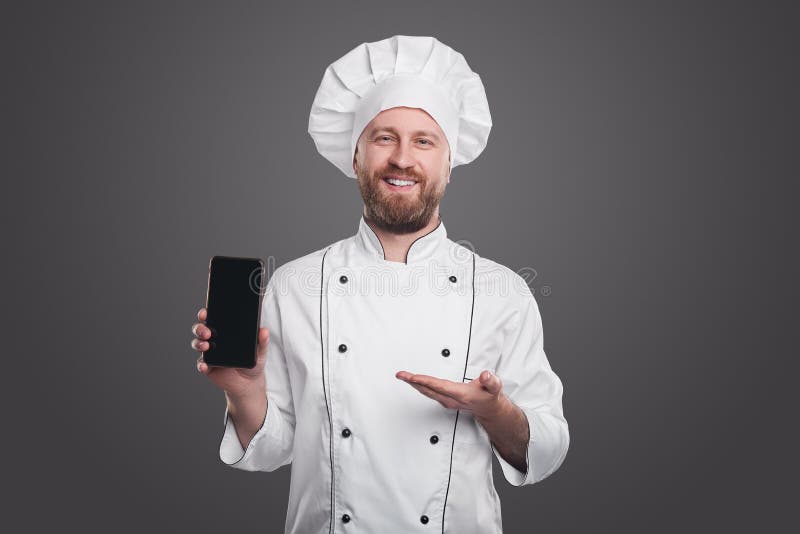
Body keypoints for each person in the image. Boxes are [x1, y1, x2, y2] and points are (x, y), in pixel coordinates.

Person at [190, 35, 569, 534]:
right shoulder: (295, 285)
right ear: (355, 157)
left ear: (449, 164)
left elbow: (546, 449)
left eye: (424, 141)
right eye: (384, 137)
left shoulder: (503, 292)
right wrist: (243, 392)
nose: (403, 159)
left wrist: (496, 411)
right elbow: (271, 451)